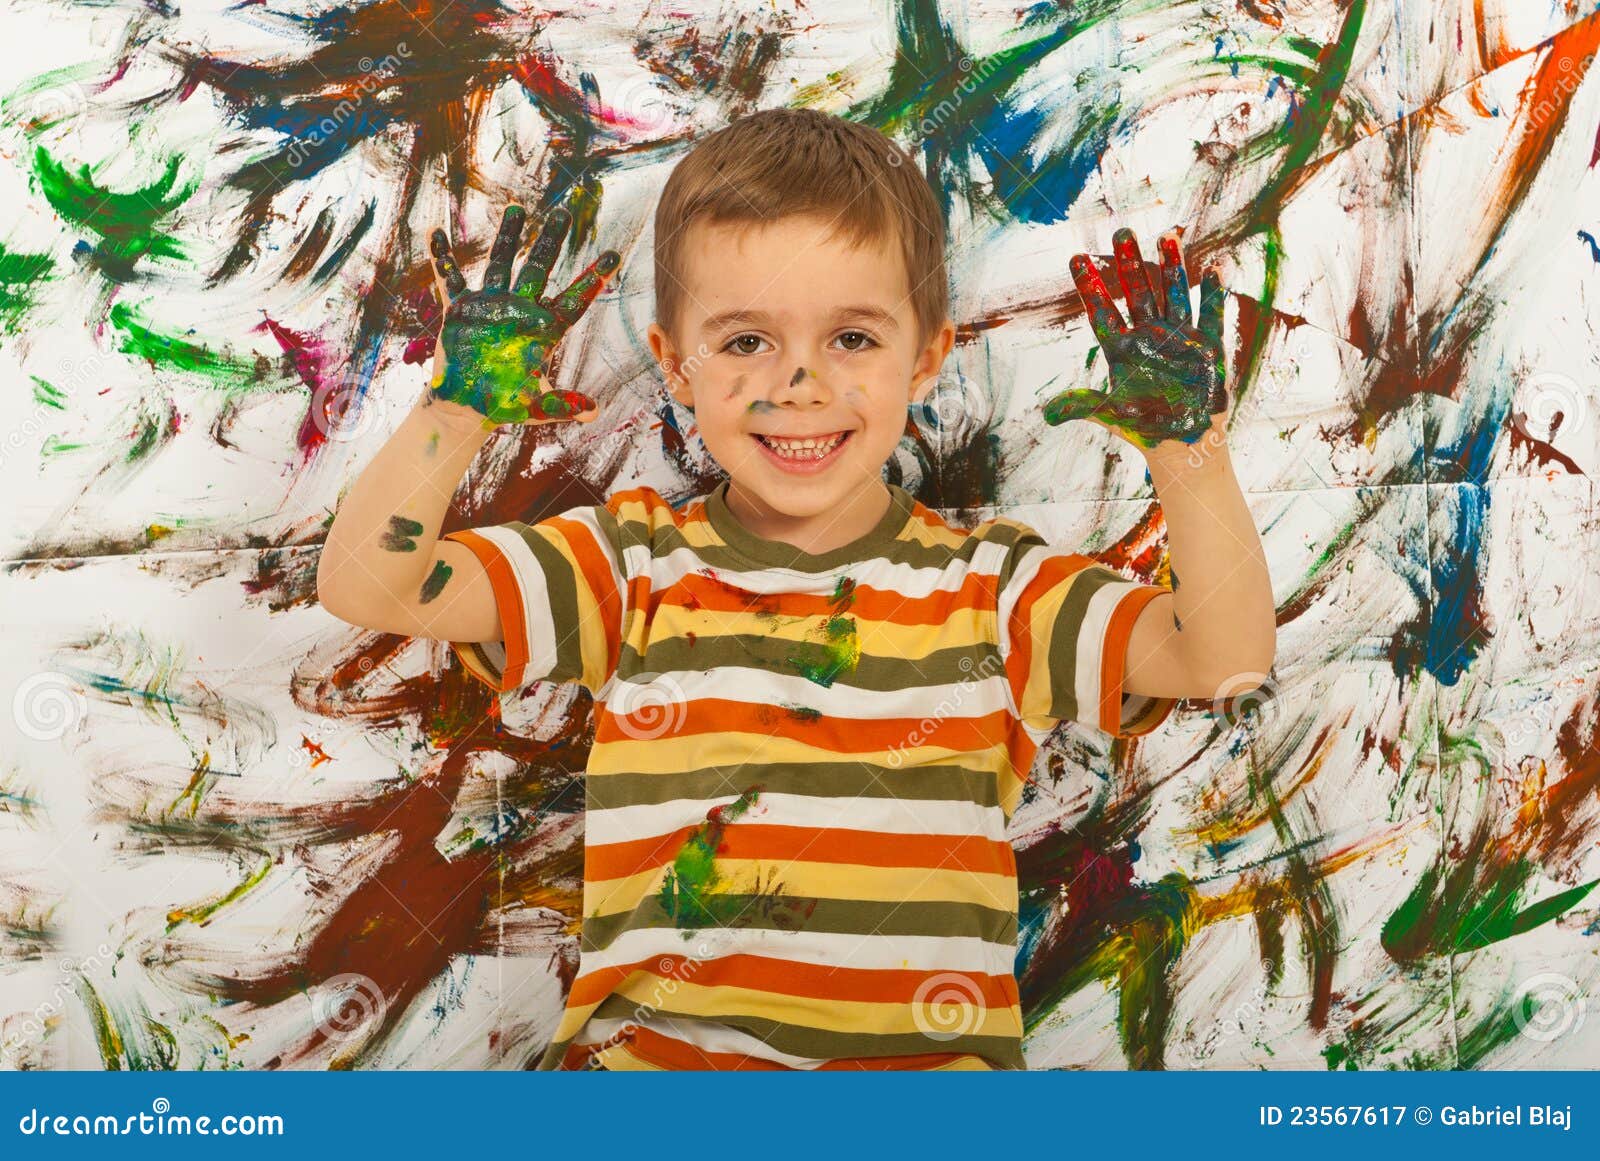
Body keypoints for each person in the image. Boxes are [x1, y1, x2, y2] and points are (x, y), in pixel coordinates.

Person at [316, 107, 1276, 1071]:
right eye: (744, 344)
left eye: (854, 337)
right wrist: (455, 410)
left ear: (929, 355)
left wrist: (1189, 455)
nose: (801, 383)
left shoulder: (999, 588)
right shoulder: (626, 566)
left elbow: (1223, 657)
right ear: (674, 365)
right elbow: (371, 585)